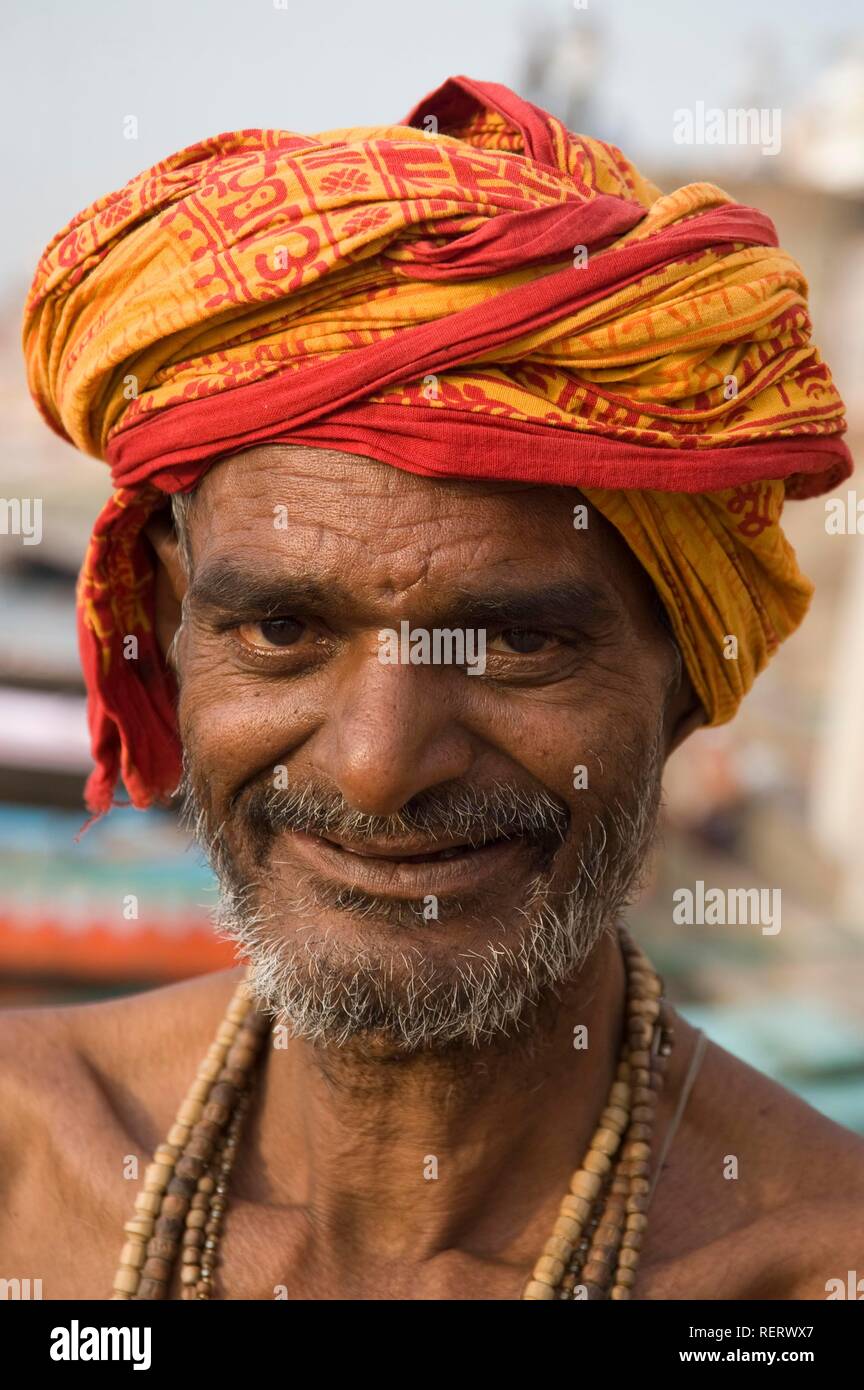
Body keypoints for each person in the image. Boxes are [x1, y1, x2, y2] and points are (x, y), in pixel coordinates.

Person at [3, 75, 861, 1302]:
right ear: (166, 631)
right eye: (285, 629)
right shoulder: (20, 1174)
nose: (376, 765)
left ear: (687, 679)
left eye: (514, 648)